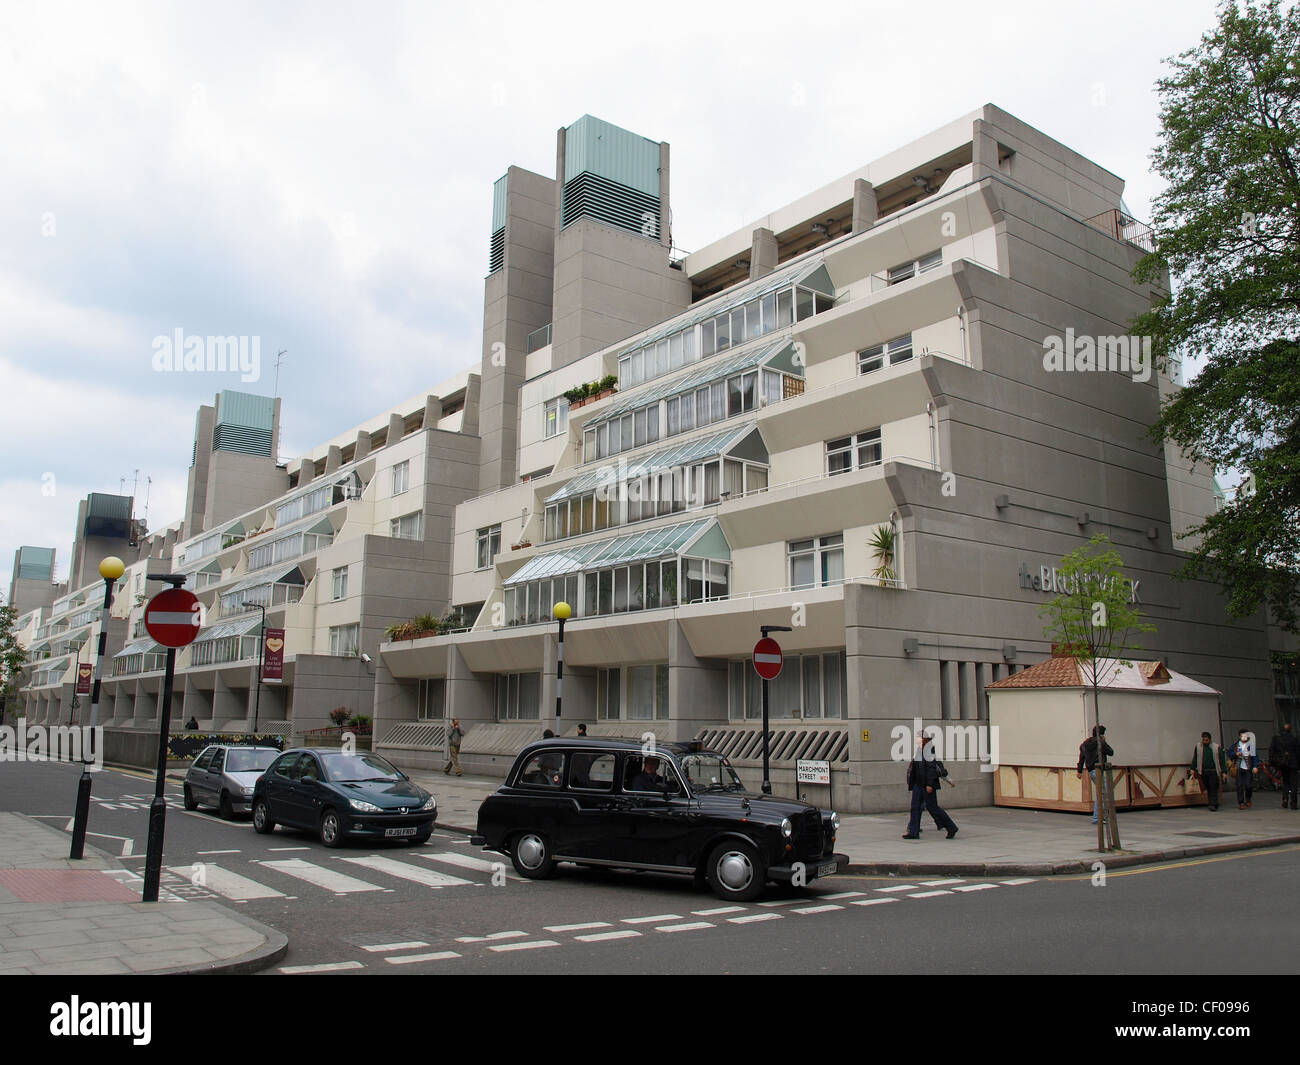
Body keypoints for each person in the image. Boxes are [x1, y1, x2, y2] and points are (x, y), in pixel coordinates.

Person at [902, 733, 958, 840]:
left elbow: (931, 769)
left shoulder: (929, 751)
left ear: (924, 739)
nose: (916, 739)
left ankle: (951, 827)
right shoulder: (920, 750)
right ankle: (913, 831)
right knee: (915, 807)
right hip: (918, 784)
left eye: (918, 737)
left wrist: (929, 784)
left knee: (933, 808)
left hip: (926, 784)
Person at [1075, 725, 1114, 825]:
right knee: (1102, 793)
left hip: (1091, 771)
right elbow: (1111, 752)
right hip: (1099, 769)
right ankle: (1098, 817)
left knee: (1100, 792)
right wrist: (1104, 742)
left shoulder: (1084, 744)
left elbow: (1082, 758)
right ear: (1101, 734)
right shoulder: (1100, 742)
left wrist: (1079, 771)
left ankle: (1099, 816)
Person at [1188, 731, 1227, 811]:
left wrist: (1224, 772)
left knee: (1213, 786)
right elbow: (1195, 758)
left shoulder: (1216, 747)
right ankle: (1211, 802)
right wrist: (1192, 768)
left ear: (1210, 739)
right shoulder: (1199, 747)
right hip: (1203, 771)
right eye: (1203, 740)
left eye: (1206, 740)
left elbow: (1221, 760)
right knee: (1208, 787)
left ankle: (1213, 804)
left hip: (1213, 770)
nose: (1204, 742)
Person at [1268, 722, 1300, 810]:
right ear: (1290, 730)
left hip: (1282, 763)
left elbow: (1271, 750)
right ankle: (1293, 803)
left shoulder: (1276, 739)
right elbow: (1298, 753)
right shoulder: (1294, 739)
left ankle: (1285, 799)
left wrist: (1273, 762)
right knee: (1293, 784)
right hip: (1293, 764)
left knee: (1285, 782)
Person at [1231, 728, 1257, 809]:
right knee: (1239, 785)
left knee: (1249, 785)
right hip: (1238, 767)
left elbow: (1255, 756)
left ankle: (1248, 799)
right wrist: (1236, 754)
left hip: (1248, 767)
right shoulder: (1235, 745)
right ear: (1239, 736)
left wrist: (1255, 766)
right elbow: (1229, 753)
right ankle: (1241, 802)